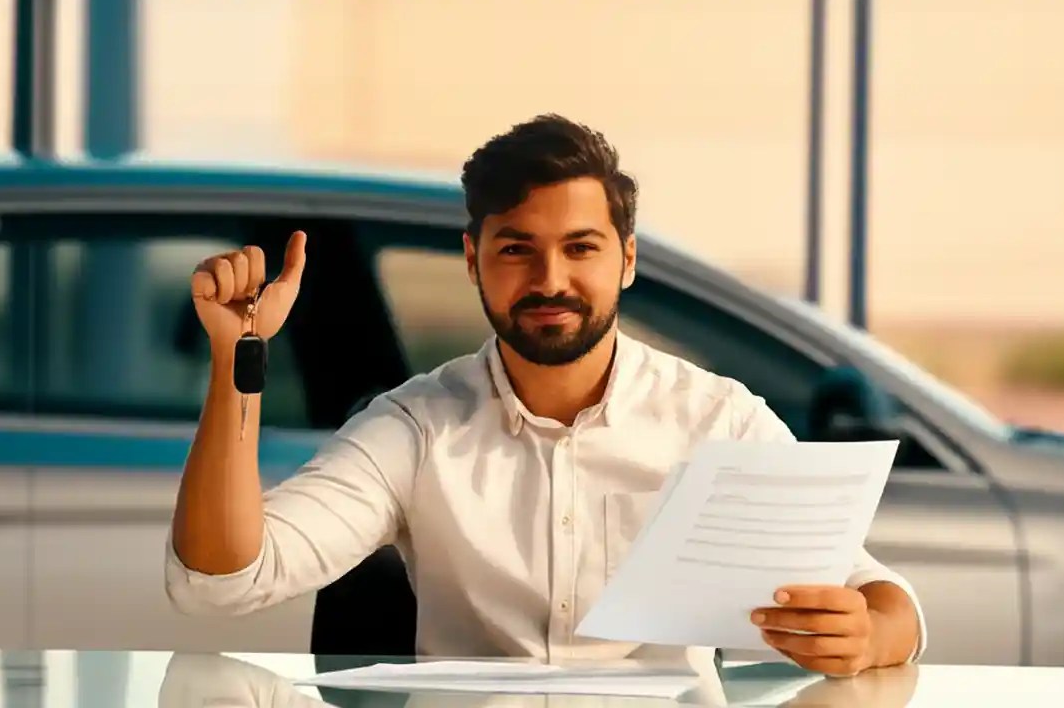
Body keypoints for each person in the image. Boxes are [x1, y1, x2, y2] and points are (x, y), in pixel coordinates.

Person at [166, 114, 926, 678]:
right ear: (473, 261)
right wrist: (241, 358)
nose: (550, 280)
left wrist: (869, 633)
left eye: (581, 248)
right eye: (516, 249)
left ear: (626, 260)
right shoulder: (416, 426)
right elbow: (224, 582)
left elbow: (881, 598)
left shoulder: (716, 420)